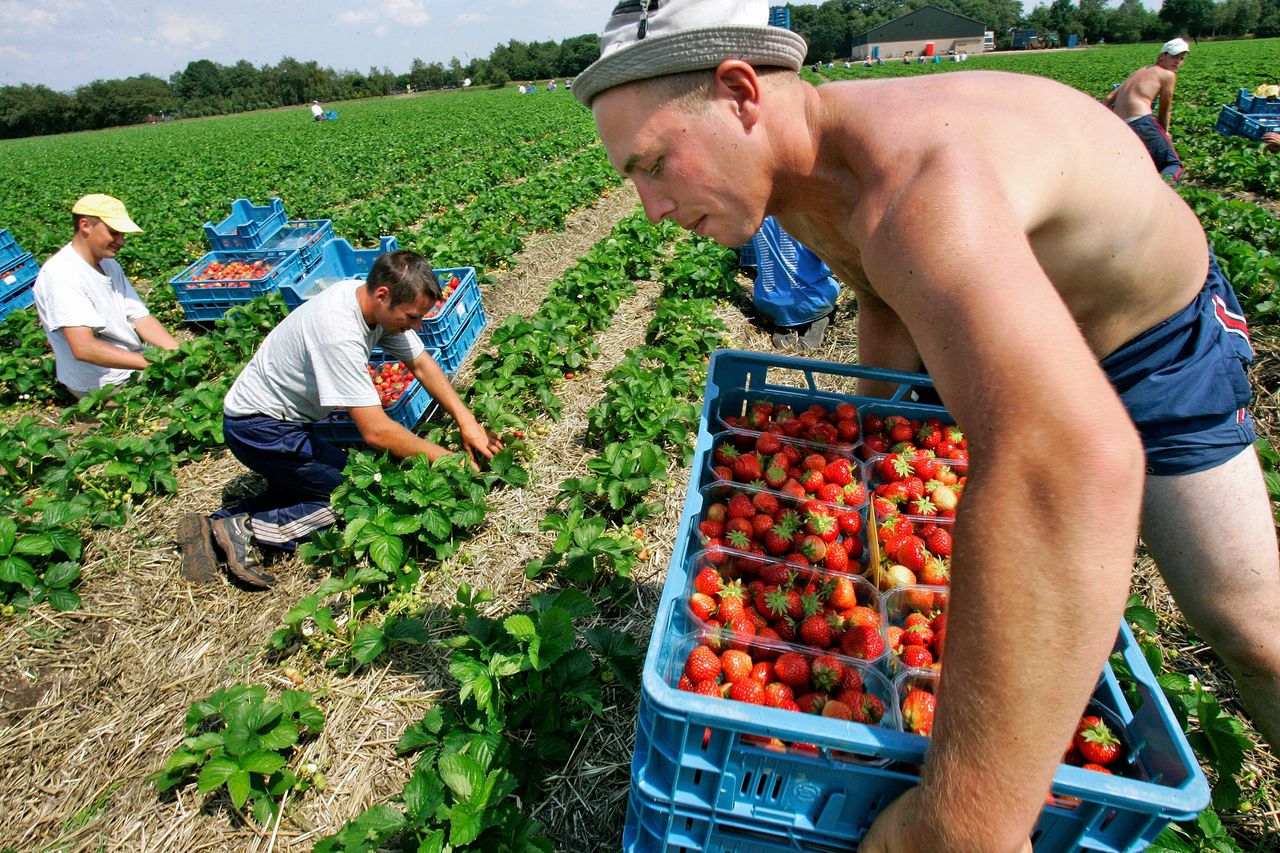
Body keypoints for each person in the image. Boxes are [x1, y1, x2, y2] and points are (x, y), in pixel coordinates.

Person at [573, 1, 1280, 849]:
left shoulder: (912, 188)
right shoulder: (800, 182)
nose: (650, 205)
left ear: (739, 93)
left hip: (1154, 345)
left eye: (653, 164)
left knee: (1246, 625)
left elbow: (1074, 462)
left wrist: (958, 822)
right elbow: (884, 297)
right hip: (1015, 338)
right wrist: (874, 446)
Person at [176, 250, 502, 588]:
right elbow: (376, 431)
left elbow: (421, 364)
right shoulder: (338, 331)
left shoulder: (367, 304)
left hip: (277, 423)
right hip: (260, 429)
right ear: (383, 295)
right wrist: (450, 462)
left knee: (324, 480)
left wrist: (469, 422)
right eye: (412, 316)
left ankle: (216, 524)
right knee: (351, 498)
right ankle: (250, 531)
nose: (417, 326)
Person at [32, 194, 179, 400]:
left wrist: (179, 353)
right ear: (85, 225)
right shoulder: (62, 275)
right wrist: (156, 364)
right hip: (102, 383)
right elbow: (84, 348)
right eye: (114, 233)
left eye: (122, 235)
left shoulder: (108, 262)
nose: (121, 241)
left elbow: (140, 317)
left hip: (130, 365)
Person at [1103, 38, 1190, 182]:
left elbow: (1108, 98)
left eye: (1181, 59)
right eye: (1174, 57)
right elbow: (1165, 109)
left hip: (1120, 124)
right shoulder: (1167, 75)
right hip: (1141, 121)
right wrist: (1165, 133)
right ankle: (1162, 196)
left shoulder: (1142, 70)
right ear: (1162, 56)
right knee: (1173, 164)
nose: (1178, 62)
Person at [750, 215, 840, 350]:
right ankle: (817, 322)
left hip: (768, 302)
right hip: (811, 302)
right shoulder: (806, 215)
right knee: (832, 285)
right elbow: (832, 261)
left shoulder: (758, 216)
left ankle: (784, 327)